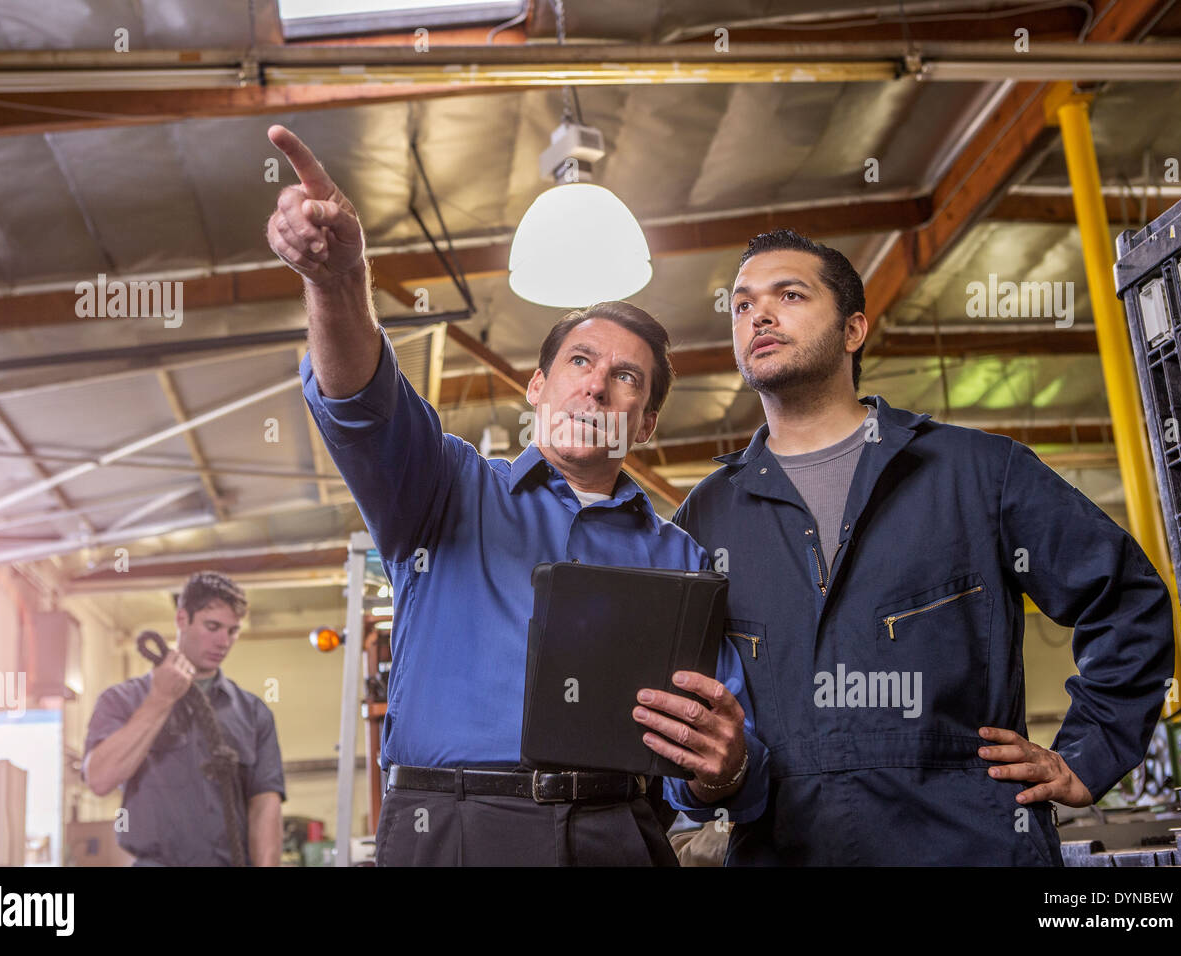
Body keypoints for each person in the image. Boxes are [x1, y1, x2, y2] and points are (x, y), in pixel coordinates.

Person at [265, 124, 751, 866]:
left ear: (646, 423)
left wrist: (727, 770)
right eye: (580, 360)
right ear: (537, 387)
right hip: (455, 829)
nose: (595, 381)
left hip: (619, 832)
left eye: (627, 377)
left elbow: (704, 744)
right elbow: (363, 401)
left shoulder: (680, 558)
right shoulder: (446, 487)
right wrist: (336, 282)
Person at [638, 228, 1176, 865]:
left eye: (789, 294)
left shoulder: (976, 472)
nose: (759, 313)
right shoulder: (705, 516)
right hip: (786, 850)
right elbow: (681, 707)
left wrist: (1088, 755)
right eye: (742, 302)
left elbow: (1127, 598)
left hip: (967, 846)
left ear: (853, 329)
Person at [83, 571, 285, 866]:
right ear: (182, 619)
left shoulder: (253, 714)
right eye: (212, 626)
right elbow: (100, 779)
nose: (223, 641)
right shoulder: (121, 701)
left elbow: (264, 803)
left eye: (232, 631)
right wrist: (161, 699)